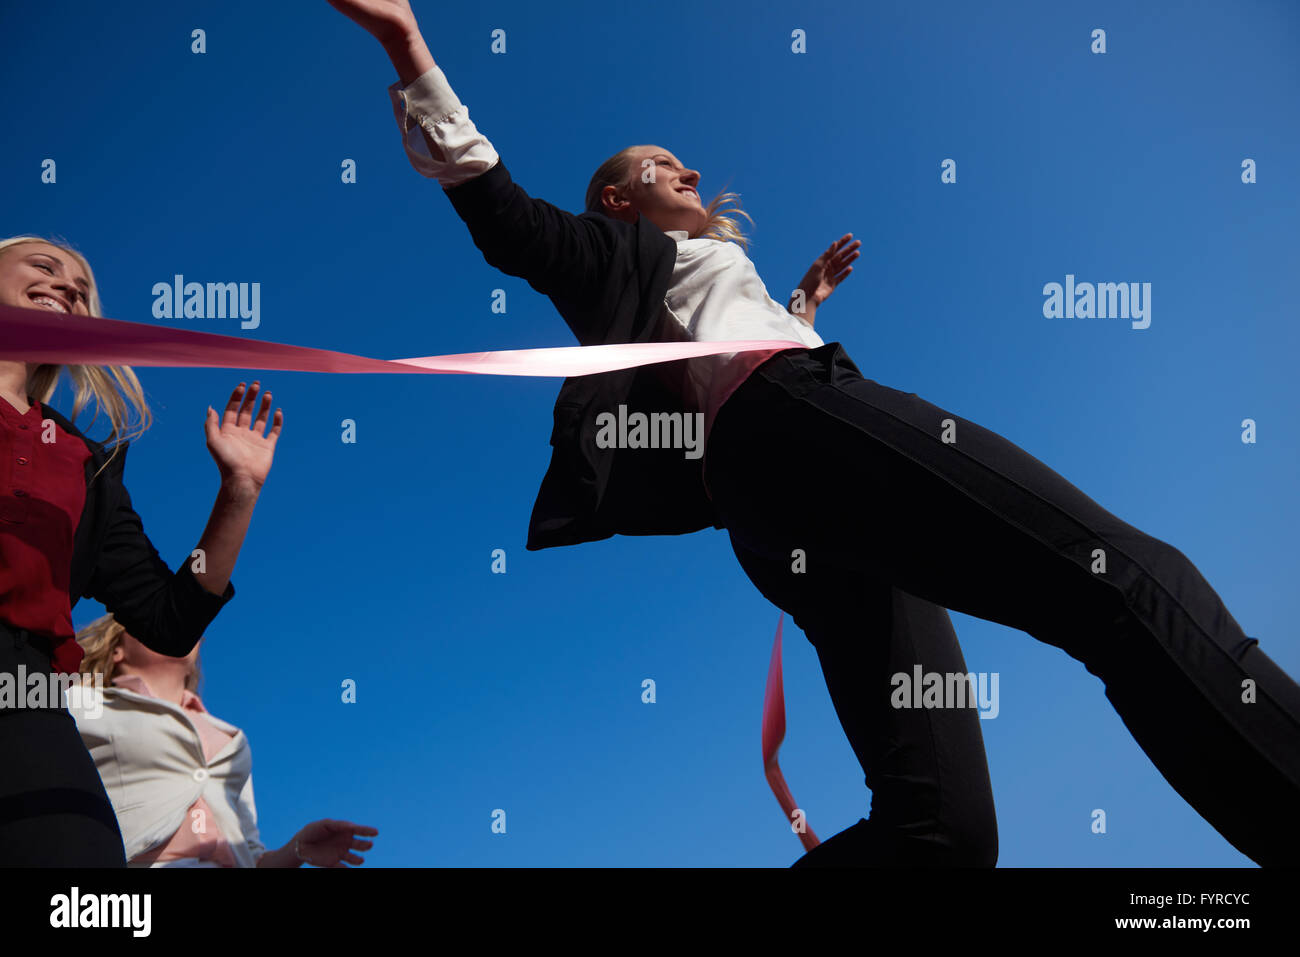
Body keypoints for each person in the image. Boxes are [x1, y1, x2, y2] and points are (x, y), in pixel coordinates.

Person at [328, 0, 1300, 866]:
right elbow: (509, 222)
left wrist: (801, 302)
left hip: (776, 493)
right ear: (618, 201)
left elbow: (725, 341)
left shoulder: (708, 273)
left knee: (942, 835)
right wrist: (408, 44)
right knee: (1122, 580)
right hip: (783, 430)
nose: (690, 168)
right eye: (662, 166)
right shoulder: (614, 248)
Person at [0, 235, 281, 867]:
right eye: (45, 269)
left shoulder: (84, 464)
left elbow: (167, 615)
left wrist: (238, 492)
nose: (66, 289)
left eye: (80, 291)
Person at [66, 614, 378, 867]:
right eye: (155, 616)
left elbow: (251, 853)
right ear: (117, 649)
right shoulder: (83, 702)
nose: (176, 625)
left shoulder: (232, 739)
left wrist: (296, 849)